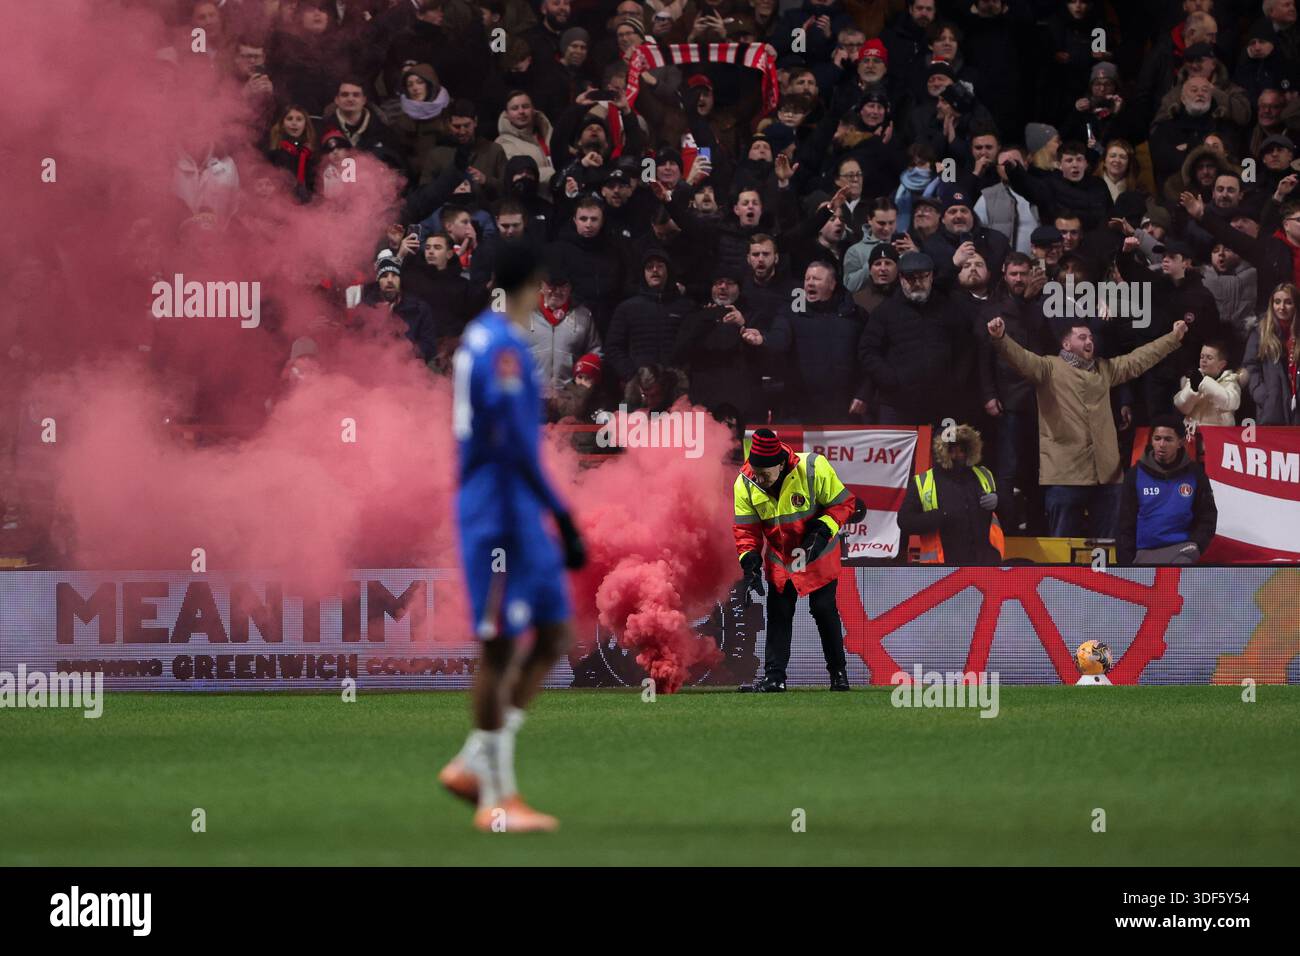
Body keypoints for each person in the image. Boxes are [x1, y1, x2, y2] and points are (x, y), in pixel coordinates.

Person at [438, 242, 587, 834]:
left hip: (517, 508)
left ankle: (476, 761)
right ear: (534, 284)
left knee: (553, 633)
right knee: (499, 647)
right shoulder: (500, 349)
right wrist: (563, 515)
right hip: (498, 509)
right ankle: (496, 799)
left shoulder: (487, 342)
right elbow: (511, 443)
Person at [985, 315, 1190, 539]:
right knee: (1062, 552)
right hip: (1066, 475)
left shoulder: (1105, 369)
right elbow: (1021, 358)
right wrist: (1001, 338)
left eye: (1090, 337)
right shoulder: (1048, 368)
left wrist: (1173, 338)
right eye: (1081, 337)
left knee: (1106, 547)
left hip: (1108, 476)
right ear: (1066, 344)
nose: (1089, 341)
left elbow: (1139, 359)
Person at [733, 428, 859, 693]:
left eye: (764, 474)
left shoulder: (813, 467)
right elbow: (746, 531)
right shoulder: (744, 483)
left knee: (823, 610)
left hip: (817, 552)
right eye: (755, 471)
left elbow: (844, 504)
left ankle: (838, 674)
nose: (759, 478)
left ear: (780, 464)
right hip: (781, 558)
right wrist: (750, 565)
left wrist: (822, 532)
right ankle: (774, 679)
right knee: (778, 613)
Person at [1117, 416, 1218, 566]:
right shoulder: (1135, 475)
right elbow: (1125, 523)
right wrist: (1127, 563)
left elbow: (1207, 516)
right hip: (1144, 554)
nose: (1161, 445)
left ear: (1180, 442)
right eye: (1157, 438)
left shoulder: (1195, 474)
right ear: (1151, 440)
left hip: (1182, 551)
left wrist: (1195, 546)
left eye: (1168, 439)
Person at [897, 424, 1004, 565]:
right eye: (952, 450)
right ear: (942, 451)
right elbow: (905, 521)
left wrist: (999, 500)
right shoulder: (923, 482)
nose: (958, 455)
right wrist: (940, 516)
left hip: (985, 564)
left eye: (962, 450)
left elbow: (1008, 511)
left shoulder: (983, 474)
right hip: (942, 569)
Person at [1174, 340, 1241, 429]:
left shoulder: (1230, 381)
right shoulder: (1194, 378)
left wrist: (1204, 383)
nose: (1204, 361)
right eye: (1202, 357)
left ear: (1221, 364)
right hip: (1193, 435)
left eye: (1209, 358)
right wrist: (1193, 391)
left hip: (1218, 436)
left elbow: (1230, 403)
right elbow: (1182, 407)